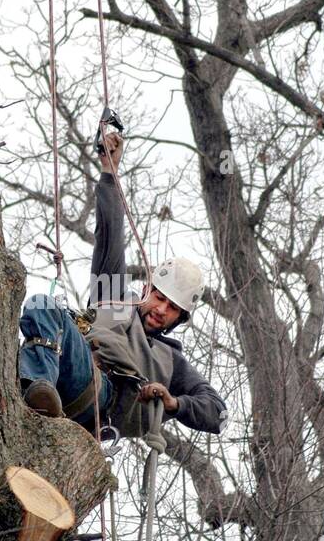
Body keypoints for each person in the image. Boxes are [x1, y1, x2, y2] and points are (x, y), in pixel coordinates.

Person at [18, 131, 227, 439]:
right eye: (159, 297)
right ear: (146, 289)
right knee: (40, 306)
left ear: (180, 319)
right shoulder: (114, 301)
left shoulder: (172, 362)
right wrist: (109, 173)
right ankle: (38, 393)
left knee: (47, 315)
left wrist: (174, 402)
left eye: (172, 309)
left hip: (100, 398)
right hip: (65, 367)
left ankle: (40, 397)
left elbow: (218, 413)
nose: (161, 309)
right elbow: (110, 237)